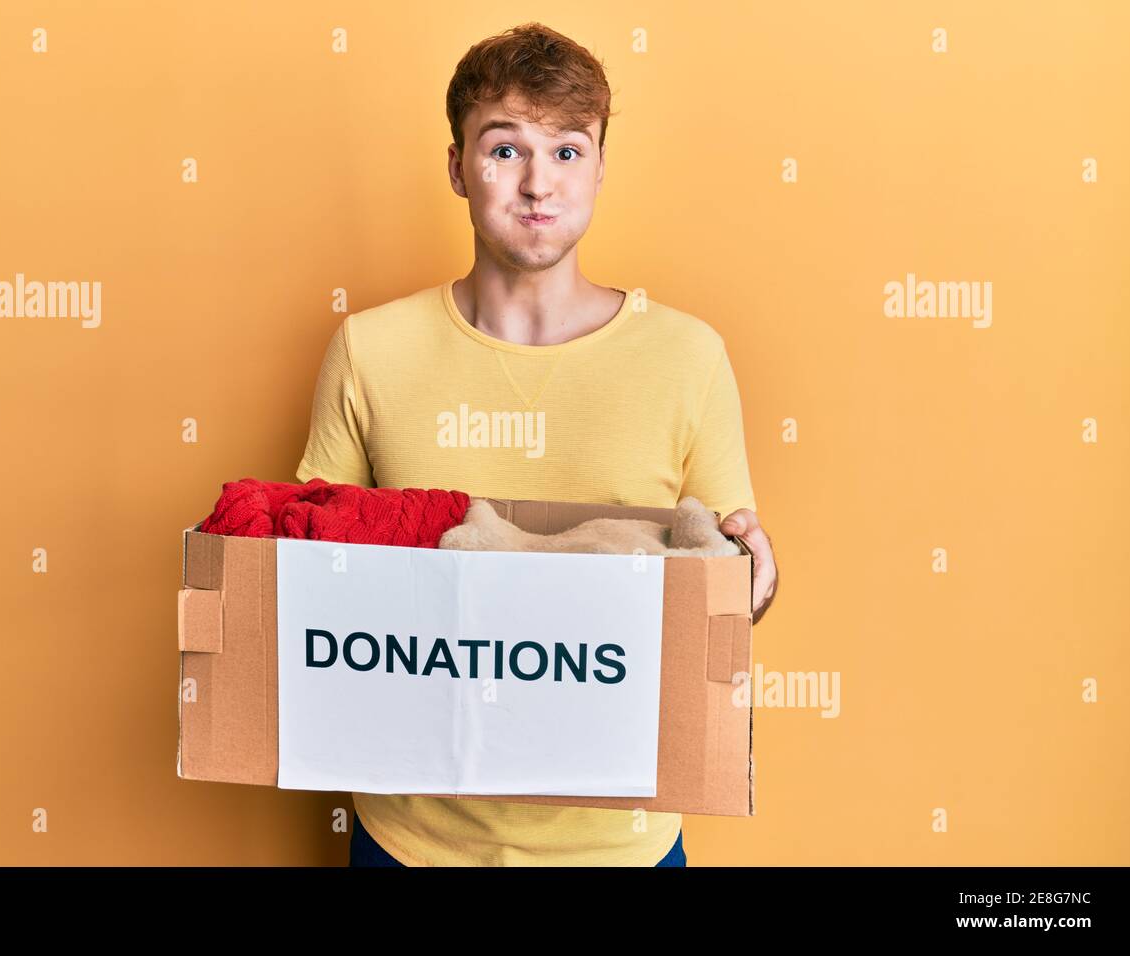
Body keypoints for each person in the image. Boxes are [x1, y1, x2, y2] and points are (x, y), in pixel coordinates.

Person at [295, 21, 778, 867]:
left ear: (598, 170)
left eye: (565, 152)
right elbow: (313, 572)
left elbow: (722, 584)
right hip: (413, 840)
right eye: (504, 149)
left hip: (620, 846)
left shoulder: (688, 357)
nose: (536, 185)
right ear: (457, 169)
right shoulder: (369, 350)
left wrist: (757, 576)